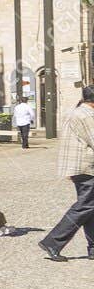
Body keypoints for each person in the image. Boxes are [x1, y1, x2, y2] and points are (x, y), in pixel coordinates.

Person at [39, 85, 94, 261]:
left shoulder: (77, 112)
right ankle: (53, 242)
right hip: (87, 166)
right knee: (85, 206)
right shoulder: (86, 116)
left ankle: (93, 248)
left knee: (90, 207)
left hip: (79, 166)